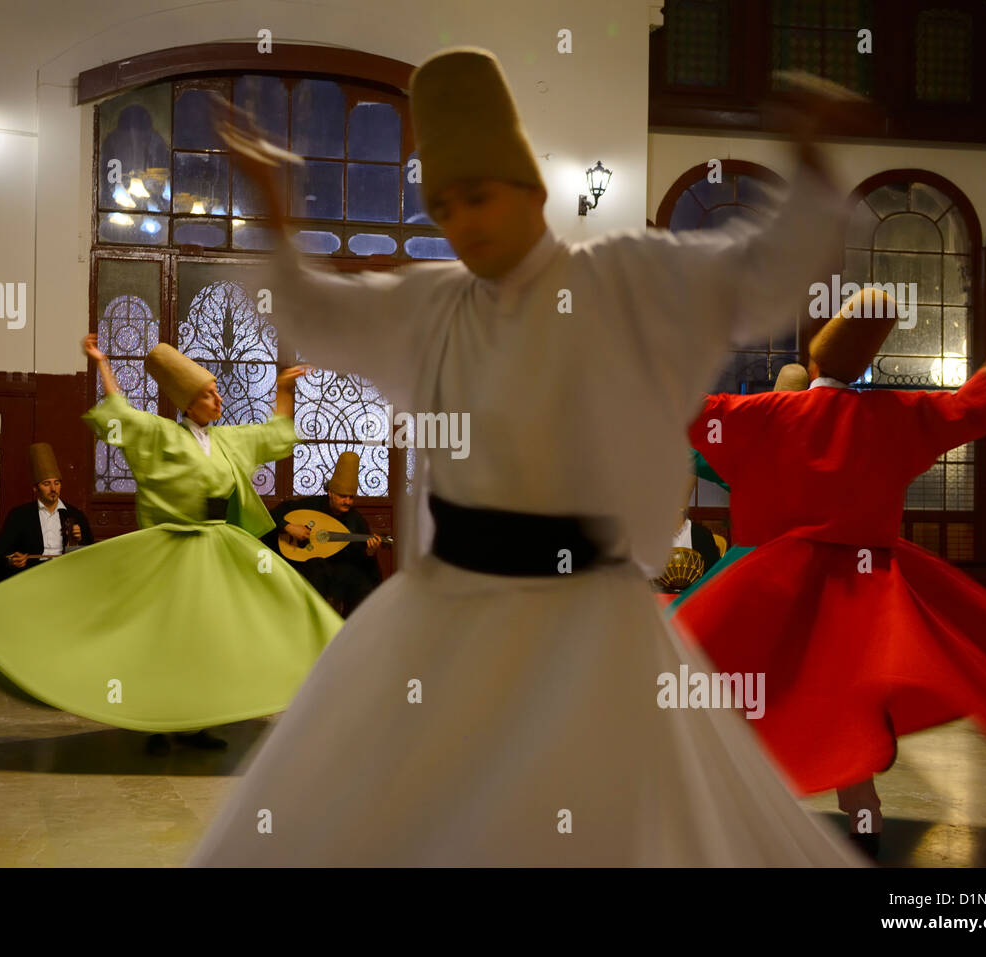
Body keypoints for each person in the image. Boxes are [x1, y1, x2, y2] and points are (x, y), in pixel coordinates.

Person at [191, 50, 867, 866]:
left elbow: (756, 275)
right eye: (443, 206)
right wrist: (274, 212)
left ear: (531, 189)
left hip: (593, 618)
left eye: (478, 195)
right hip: (444, 608)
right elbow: (316, 311)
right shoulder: (432, 302)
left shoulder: (627, 278)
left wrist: (814, 165)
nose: (463, 222)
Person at [673, 288, 986, 857]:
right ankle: (865, 821)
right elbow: (965, 410)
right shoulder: (893, 416)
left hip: (768, 584)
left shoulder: (760, 414)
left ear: (811, 364)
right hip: (865, 591)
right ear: (865, 365)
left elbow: (683, 411)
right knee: (845, 707)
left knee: (728, 692)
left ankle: (726, 815)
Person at [0, 336, 342, 750]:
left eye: (217, 392)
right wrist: (102, 364)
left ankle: (200, 721)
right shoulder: (163, 436)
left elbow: (272, 437)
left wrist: (283, 389)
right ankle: (155, 722)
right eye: (208, 395)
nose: (218, 400)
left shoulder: (229, 442)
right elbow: (122, 417)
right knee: (164, 638)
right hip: (173, 549)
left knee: (212, 636)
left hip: (220, 549)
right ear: (188, 403)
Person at [667, 362, 809, 610]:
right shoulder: (820, 446)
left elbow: (691, 454)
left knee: (693, 613)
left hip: (762, 555)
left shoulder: (752, 450)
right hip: (803, 560)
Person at [264, 451, 383, 616]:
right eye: (342, 496)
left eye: (351, 497)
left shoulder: (356, 521)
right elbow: (272, 515)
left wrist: (369, 553)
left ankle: (350, 631)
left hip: (338, 575)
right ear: (331, 492)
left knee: (362, 583)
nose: (347, 501)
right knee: (316, 567)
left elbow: (362, 564)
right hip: (309, 568)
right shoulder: (311, 505)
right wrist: (289, 527)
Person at [0, 443, 94, 586]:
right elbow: (0, 557)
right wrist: (13, 560)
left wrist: (78, 540)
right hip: (31, 579)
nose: (53, 489)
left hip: (65, 578)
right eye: (46, 484)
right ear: (35, 488)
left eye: (57, 483)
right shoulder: (19, 516)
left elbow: (89, 556)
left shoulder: (75, 515)